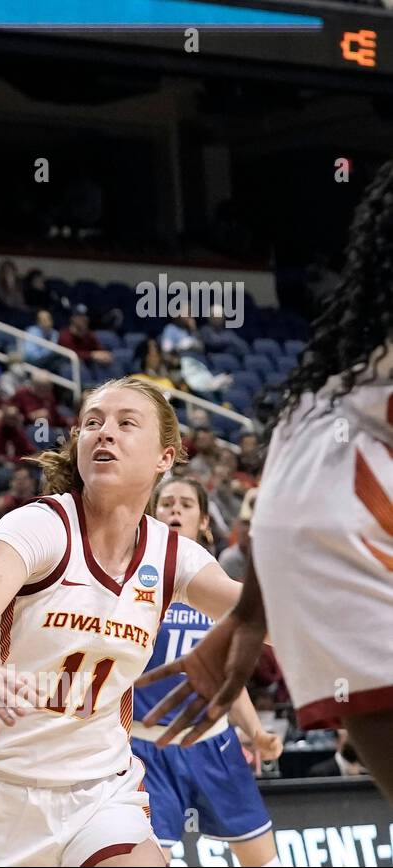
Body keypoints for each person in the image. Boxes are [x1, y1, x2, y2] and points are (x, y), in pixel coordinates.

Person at [140, 161, 393, 807]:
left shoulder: (318, 418)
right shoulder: (331, 426)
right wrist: (255, 605)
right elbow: (291, 522)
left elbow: (288, 521)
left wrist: (254, 608)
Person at [0, 377, 243, 867]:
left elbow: (251, 611)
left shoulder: (170, 555)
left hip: (101, 790)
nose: (104, 433)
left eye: (125, 423)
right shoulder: (40, 526)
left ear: (165, 457)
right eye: (92, 423)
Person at [130, 477, 281, 866]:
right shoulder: (132, 581)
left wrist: (255, 731)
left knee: (263, 860)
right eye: (166, 504)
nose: (175, 510)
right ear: (152, 515)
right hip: (148, 748)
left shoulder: (216, 586)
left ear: (203, 522)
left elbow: (228, 677)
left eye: (185, 504)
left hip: (214, 744)